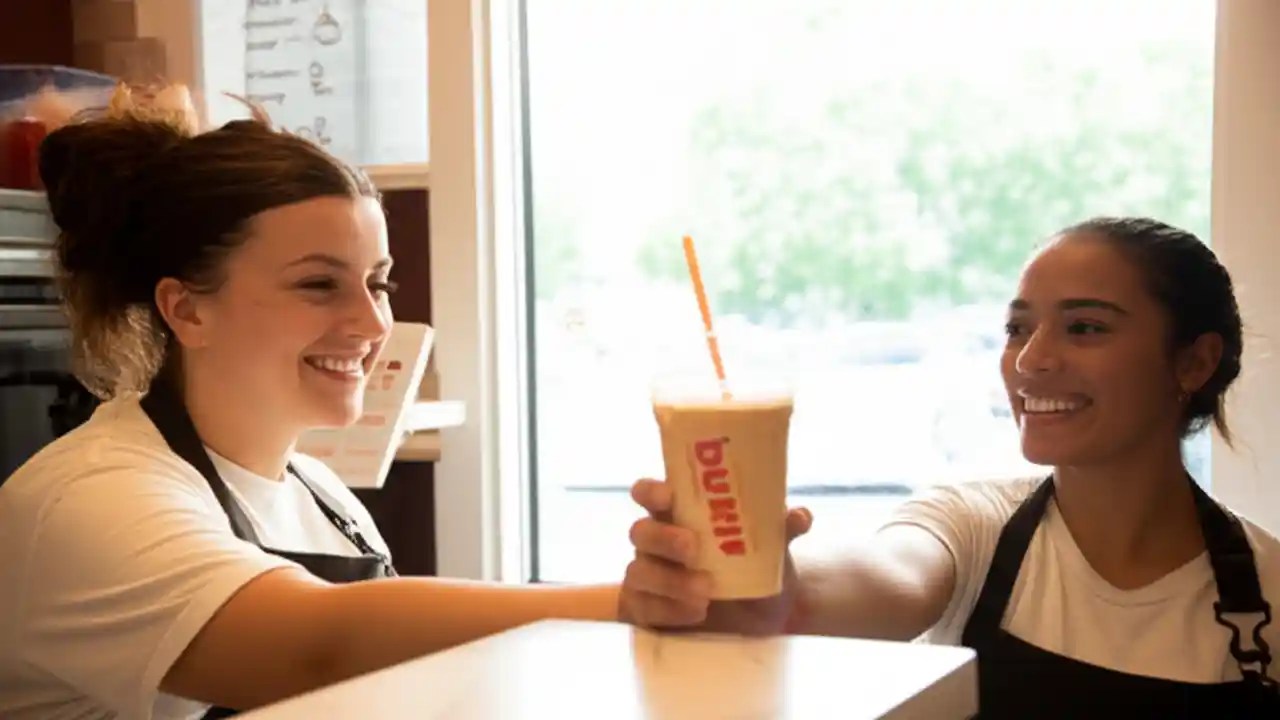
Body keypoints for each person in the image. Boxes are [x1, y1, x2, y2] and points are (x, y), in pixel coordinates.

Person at [0, 85, 619, 720]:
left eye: (378, 283)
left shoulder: (321, 495)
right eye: (319, 284)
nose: (373, 323)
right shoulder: (90, 497)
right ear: (186, 309)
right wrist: (630, 608)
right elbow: (320, 650)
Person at [619, 217, 1280, 717]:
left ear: (1193, 362)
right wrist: (758, 581)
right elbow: (879, 577)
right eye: (1019, 329)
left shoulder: (1269, 585)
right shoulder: (974, 528)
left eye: (1084, 328)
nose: (1029, 362)